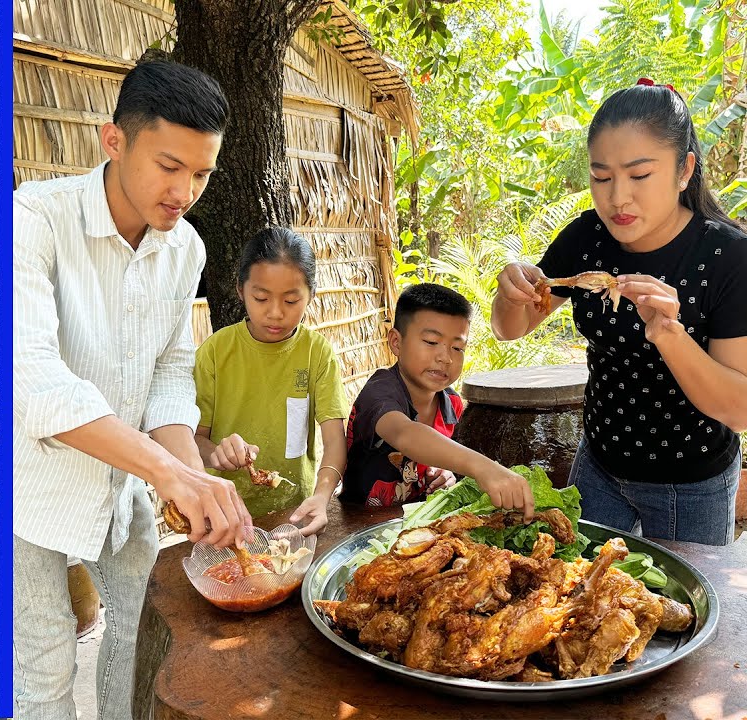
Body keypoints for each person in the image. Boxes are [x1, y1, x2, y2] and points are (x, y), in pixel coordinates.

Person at [12, 59, 254, 719]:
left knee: (139, 634)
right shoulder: (35, 218)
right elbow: (33, 381)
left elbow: (171, 370)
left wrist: (190, 477)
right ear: (113, 141)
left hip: (122, 492)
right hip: (34, 486)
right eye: (168, 166)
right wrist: (168, 472)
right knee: (42, 670)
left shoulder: (187, 250)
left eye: (201, 174)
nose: (183, 192)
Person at [492, 79, 747, 545]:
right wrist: (509, 295)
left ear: (684, 170)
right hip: (599, 466)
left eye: (639, 175)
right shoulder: (586, 237)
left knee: (681, 610)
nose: (617, 198)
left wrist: (669, 333)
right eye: (601, 177)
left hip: (691, 482)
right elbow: (512, 328)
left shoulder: (727, 258)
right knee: (580, 596)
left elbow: (738, 409)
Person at [193, 227, 348, 534]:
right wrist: (216, 453)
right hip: (225, 516)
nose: (275, 313)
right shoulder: (215, 352)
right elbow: (193, 439)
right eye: (261, 298)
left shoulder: (317, 353)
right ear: (241, 290)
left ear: (311, 296)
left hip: (293, 514)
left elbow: (334, 441)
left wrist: (322, 495)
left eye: (291, 301)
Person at [343, 283, 535, 516]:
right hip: (360, 525)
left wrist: (447, 475)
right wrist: (483, 467)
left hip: (420, 527)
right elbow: (404, 433)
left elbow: (442, 457)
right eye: (432, 342)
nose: (445, 358)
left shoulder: (451, 405)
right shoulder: (379, 393)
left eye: (457, 347)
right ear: (396, 342)